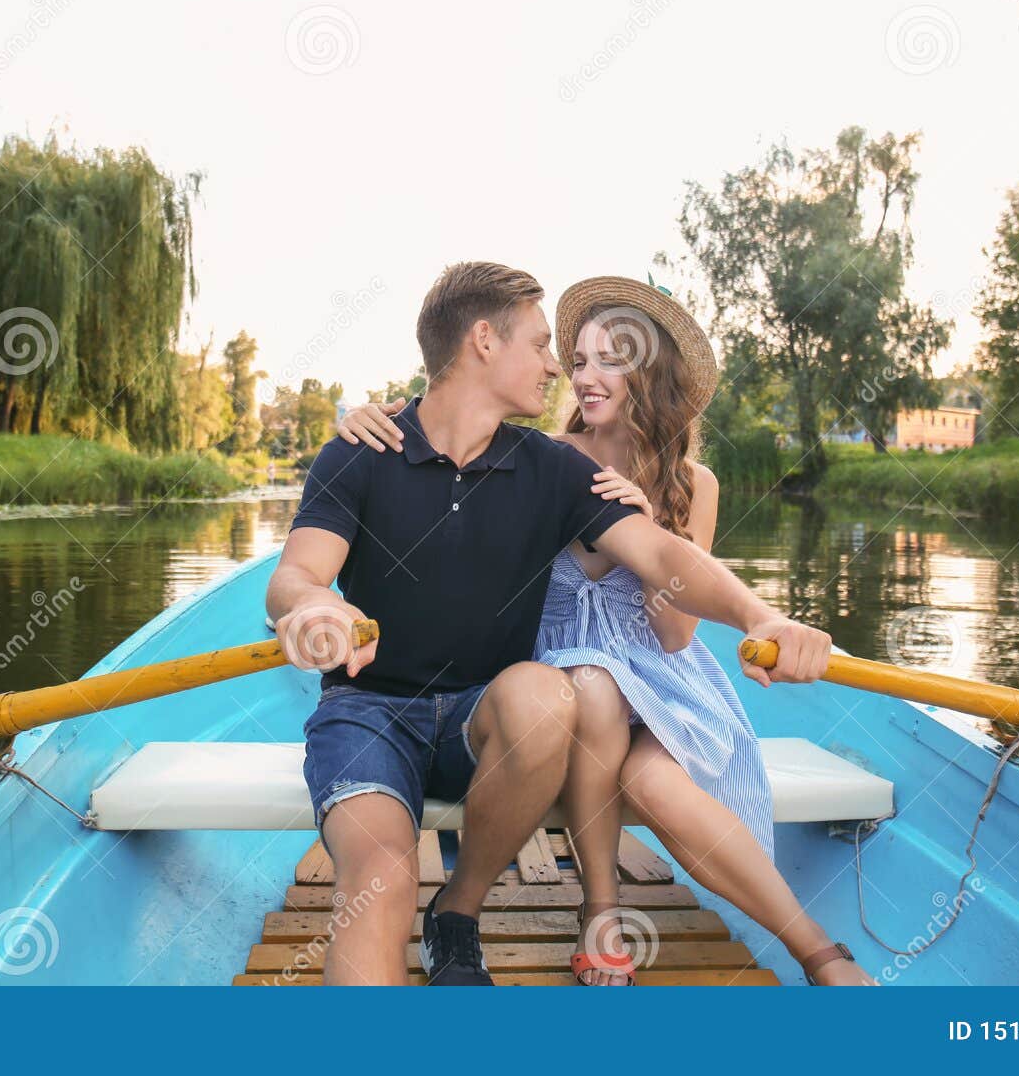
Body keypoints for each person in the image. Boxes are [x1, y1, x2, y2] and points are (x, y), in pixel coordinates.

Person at [267, 261, 832, 986]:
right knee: (381, 871)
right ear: (482, 343)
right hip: (370, 710)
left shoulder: (552, 468)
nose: (555, 367)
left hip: (485, 712)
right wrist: (313, 604)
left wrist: (762, 614)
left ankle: (460, 914)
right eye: (541, 346)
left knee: (548, 694)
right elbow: (296, 575)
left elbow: (665, 558)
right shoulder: (360, 449)